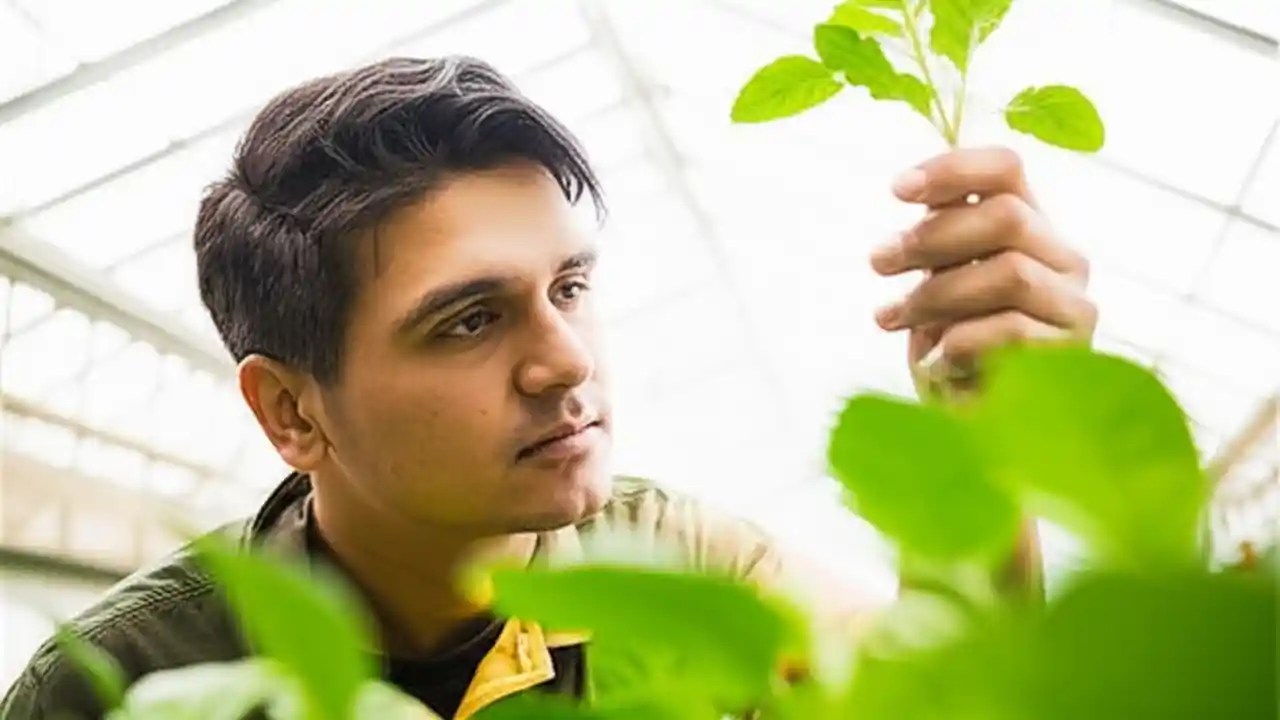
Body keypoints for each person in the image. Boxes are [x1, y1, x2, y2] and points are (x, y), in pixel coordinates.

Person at [0, 55, 1095, 719]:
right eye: (468, 319)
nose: (565, 359)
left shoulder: (672, 562)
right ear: (291, 411)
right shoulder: (117, 686)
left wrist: (982, 455)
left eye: (569, 286)